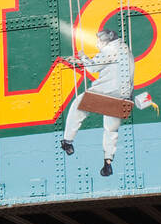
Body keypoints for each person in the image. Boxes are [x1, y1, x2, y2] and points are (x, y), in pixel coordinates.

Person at [60, 28, 141, 177]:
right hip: (123, 99)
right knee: (111, 130)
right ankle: (107, 163)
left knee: (78, 106)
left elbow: (93, 67)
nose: (97, 43)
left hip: (105, 95)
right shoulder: (125, 50)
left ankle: (67, 141)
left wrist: (82, 57)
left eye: (99, 40)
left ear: (108, 39)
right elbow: (107, 64)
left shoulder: (111, 48)